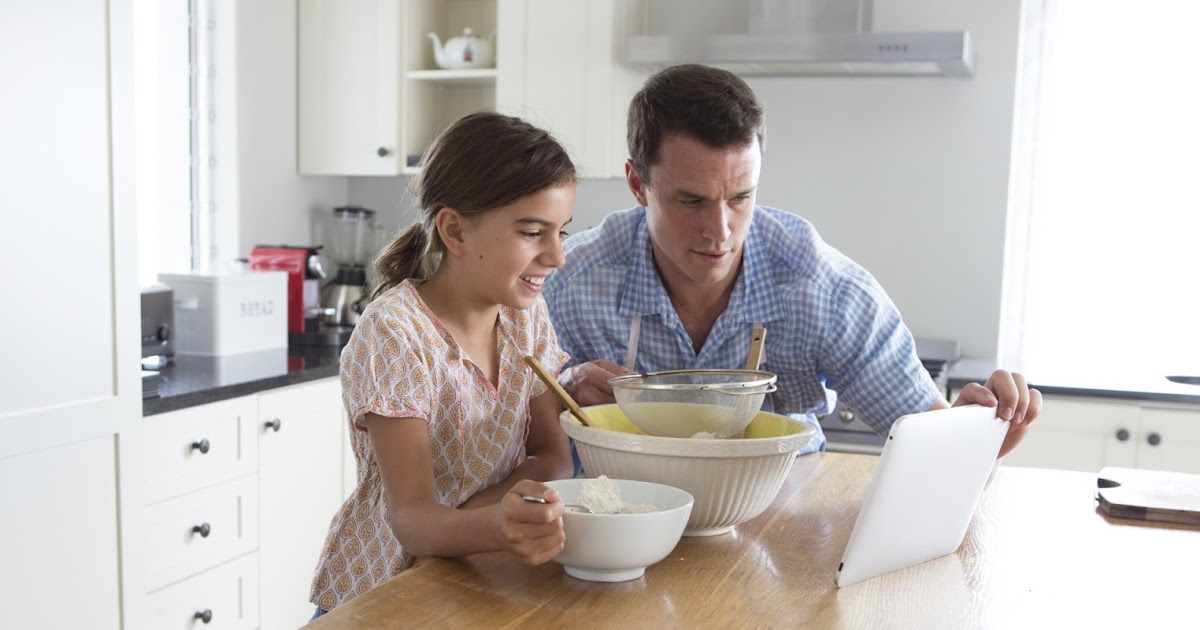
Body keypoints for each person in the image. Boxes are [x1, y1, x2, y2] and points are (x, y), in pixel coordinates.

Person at [542, 64, 1041, 469]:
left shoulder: (821, 286)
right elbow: (494, 443)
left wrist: (987, 430)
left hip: (784, 524)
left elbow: (937, 447)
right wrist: (557, 397)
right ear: (637, 185)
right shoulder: (564, 283)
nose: (720, 231)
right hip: (629, 522)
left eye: (741, 197)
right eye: (691, 201)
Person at [309, 111, 578, 616]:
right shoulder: (396, 333)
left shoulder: (526, 317)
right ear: (455, 231)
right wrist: (496, 520)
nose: (557, 256)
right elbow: (411, 518)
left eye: (562, 230)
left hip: (472, 574)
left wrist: (479, 518)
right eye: (532, 232)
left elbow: (553, 454)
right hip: (388, 588)